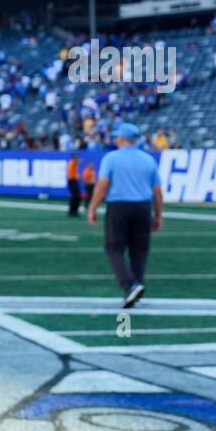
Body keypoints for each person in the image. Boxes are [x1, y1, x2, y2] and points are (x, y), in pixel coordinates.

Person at [87, 121, 163, 308]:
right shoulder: (148, 159)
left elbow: (103, 184)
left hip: (119, 206)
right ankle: (135, 287)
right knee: (139, 251)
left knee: (114, 248)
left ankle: (130, 286)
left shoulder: (111, 158)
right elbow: (158, 191)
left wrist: (92, 207)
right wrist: (158, 215)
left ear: (121, 138)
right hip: (143, 207)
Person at [66, 151, 81, 216]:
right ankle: (72, 210)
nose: (77, 159)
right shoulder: (72, 162)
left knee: (76, 196)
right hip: (72, 181)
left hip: (73, 180)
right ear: (74, 158)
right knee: (75, 196)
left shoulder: (73, 163)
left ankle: (74, 210)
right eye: (76, 157)